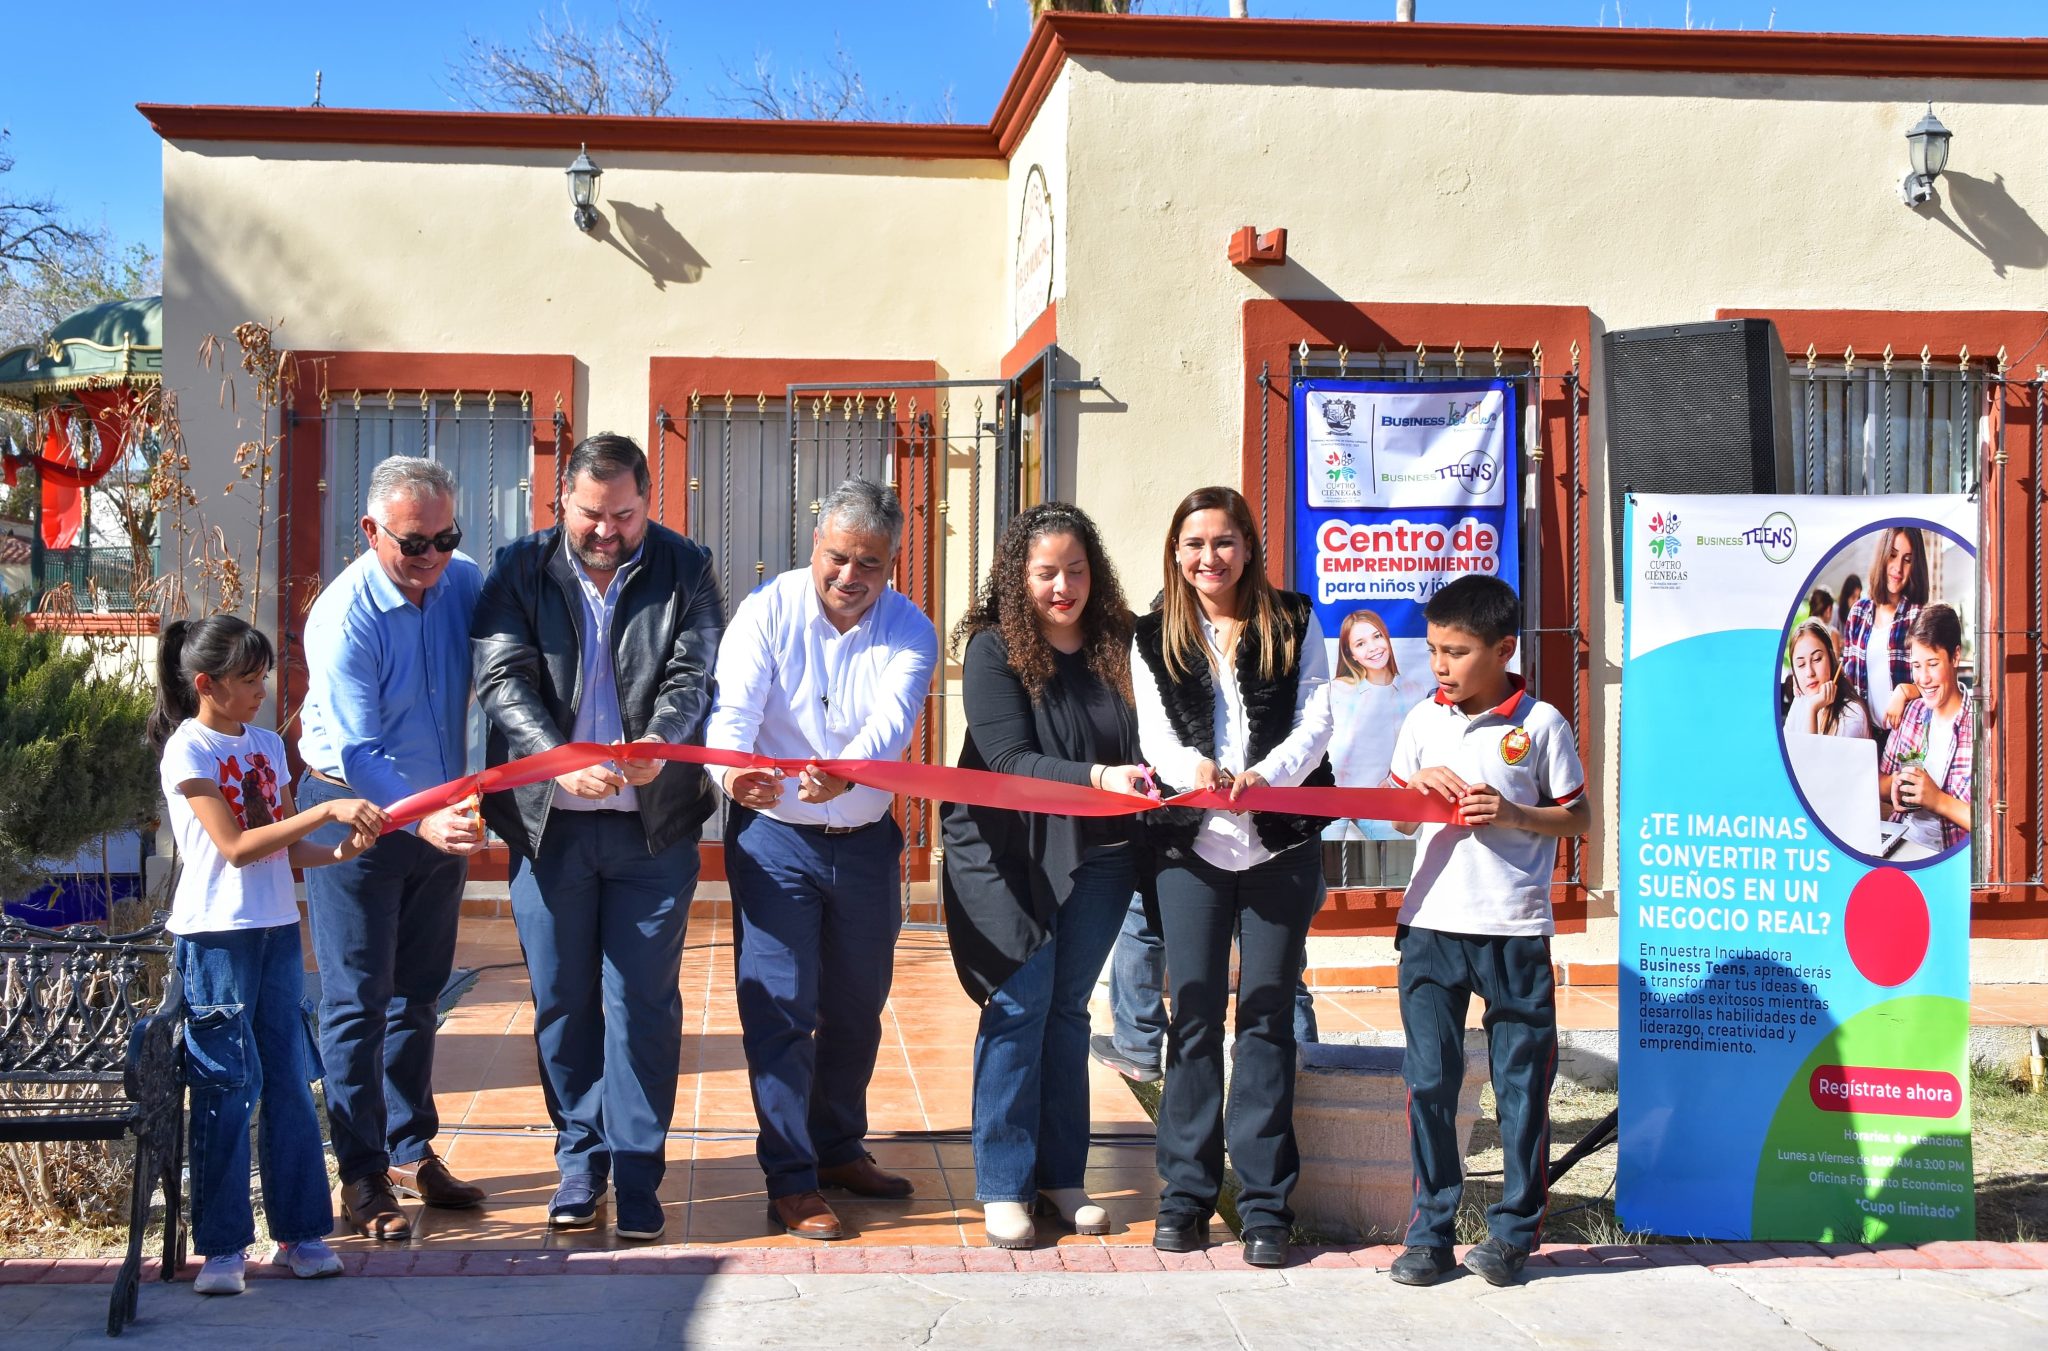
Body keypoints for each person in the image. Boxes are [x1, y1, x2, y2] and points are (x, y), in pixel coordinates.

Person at [471, 433, 726, 1241]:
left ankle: (641, 1168)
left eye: (624, 514)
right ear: (562, 504)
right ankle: (581, 1157)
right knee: (561, 999)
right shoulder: (518, 567)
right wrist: (555, 760)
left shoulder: (687, 566)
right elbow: (501, 678)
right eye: (591, 514)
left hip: (653, 834)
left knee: (643, 1003)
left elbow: (694, 669)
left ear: (647, 504)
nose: (608, 531)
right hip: (550, 833)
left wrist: (659, 740)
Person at [706, 478, 939, 1241]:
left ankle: (838, 1147)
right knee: (781, 1007)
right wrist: (733, 769)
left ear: (892, 563)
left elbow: (893, 724)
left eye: (869, 563)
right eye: (838, 557)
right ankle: (791, 1179)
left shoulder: (911, 630)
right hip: (776, 839)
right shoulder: (764, 612)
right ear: (817, 544)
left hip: (867, 844)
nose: (850, 576)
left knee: (857, 1009)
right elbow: (733, 709)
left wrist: (850, 767)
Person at [1130, 485, 1334, 1270]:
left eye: (1222, 541)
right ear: (1175, 555)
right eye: (1192, 544)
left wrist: (1268, 776)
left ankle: (1264, 1206)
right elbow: (1154, 730)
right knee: (1192, 1018)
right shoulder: (1151, 636)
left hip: (1279, 842)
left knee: (1267, 1017)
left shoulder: (1295, 618)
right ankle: (1184, 1195)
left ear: (1248, 545)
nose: (1207, 557)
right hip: (1192, 846)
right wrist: (1201, 774)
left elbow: (1317, 715)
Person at [150, 616, 386, 1294]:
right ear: (206, 684)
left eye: (263, 678)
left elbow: (281, 849)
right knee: (227, 1084)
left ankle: (300, 1232)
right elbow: (236, 846)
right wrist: (325, 812)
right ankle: (224, 1246)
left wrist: (339, 849)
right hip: (216, 936)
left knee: (287, 1079)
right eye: (249, 681)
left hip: (276, 929)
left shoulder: (264, 745)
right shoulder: (187, 750)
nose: (262, 692)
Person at [941, 503, 1147, 1249]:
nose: (1063, 586)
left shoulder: (1121, 645)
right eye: (1046, 572)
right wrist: (1101, 775)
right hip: (1008, 853)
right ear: (1017, 577)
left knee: (1067, 1010)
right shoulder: (996, 651)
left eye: (1077, 569)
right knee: (1019, 1003)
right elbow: (1008, 763)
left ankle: (1062, 1176)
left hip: (1103, 852)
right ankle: (1003, 1182)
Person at [297, 455, 489, 1241]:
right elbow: (359, 748)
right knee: (356, 999)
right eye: (416, 543)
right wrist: (422, 818)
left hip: (436, 817)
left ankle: (412, 1149)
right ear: (371, 531)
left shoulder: (463, 580)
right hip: (358, 818)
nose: (435, 557)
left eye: (448, 536)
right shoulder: (344, 618)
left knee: (419, 991)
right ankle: (363, 1174)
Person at [1384, 574, 1588, 1289]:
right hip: (1430, 927)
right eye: (1435, 648)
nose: (1441, 664)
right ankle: (1430, 1230)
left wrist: (1512, 814)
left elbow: (1578, 817)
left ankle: (1512, 1232)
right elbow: (1400, 819)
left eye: (1458, 650)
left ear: (1504, 648)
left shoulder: (1541, 724)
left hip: (1513, 929)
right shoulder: (1419, 722)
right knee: (1430, 1080)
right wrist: (1414, 793)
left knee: (1522, 1086)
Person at [1879, 603, 1974, 855]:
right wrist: (1895, 784)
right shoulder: (1911, 712)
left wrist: (1938, 800)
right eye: (1917, 665)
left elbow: (1994, 823)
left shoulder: (1981, 727)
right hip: (1900, 845)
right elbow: (1879, 781)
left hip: (1949, 860)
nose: (1922, 678)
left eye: (1932, 664)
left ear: (1955, 656)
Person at [1329, 607, 1429, 839]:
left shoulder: (1414, 690)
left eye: (1377, 636)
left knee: (1395, 867)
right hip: (1331, 797)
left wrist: (1394, 780)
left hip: (1381, 798)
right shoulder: (1336, 690)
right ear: (1350, 653)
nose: (1373, 647)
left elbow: (1415, 746)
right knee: (1324, 869)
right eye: (1360, 643)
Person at [1842, 528, 1929, 737]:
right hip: (1862, 736)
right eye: (1892, 555)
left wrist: (1905, 691)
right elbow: (1846, 678)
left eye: (1907, 560)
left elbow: (1935, 682)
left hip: (1906, 740)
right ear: (1882, 555)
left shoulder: (1919, 616)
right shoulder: (1858, 613)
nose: (1898, 568)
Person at [1782, 619, 1873, 740]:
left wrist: (1812, 709)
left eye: (1817, 659)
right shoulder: (1800, 701)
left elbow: (1810, 757)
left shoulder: (1853, 714)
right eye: (1801, 665)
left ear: (1831, 657)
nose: (1809, 673)